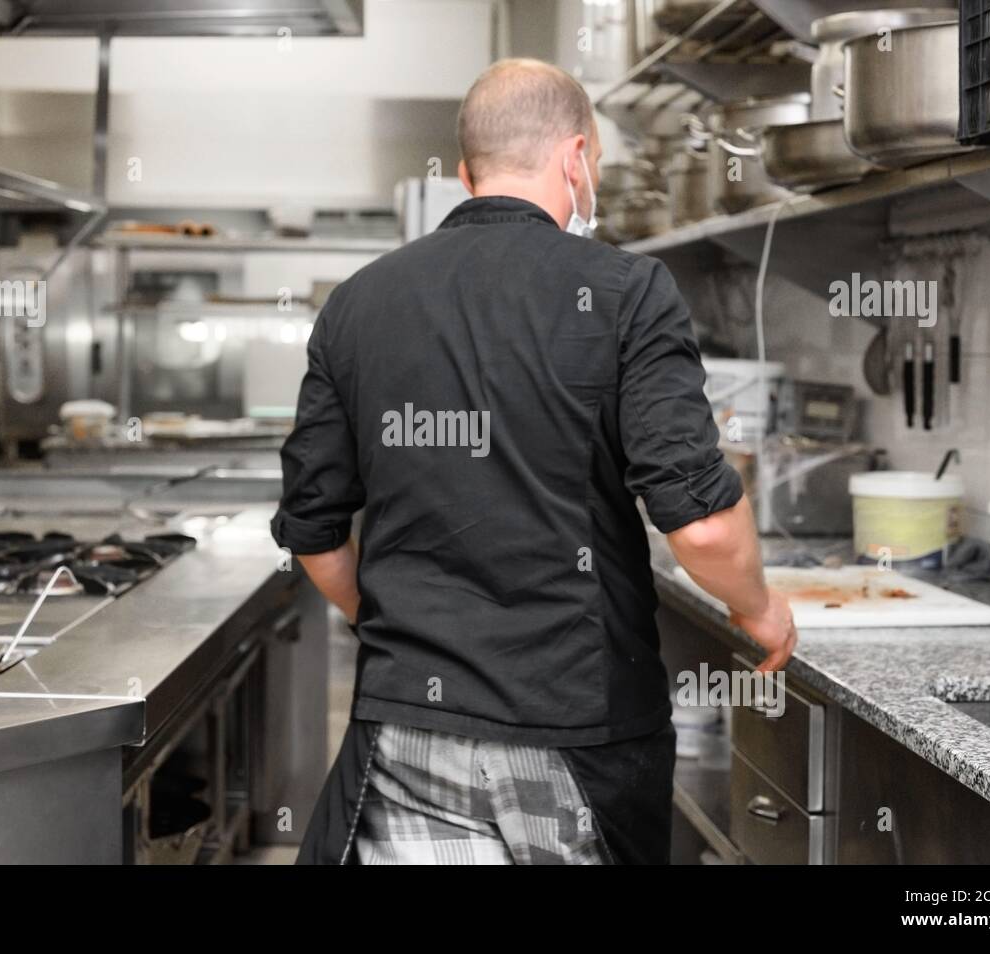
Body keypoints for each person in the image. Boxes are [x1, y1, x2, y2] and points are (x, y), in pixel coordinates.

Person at [272, 58, 796, 865]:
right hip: (573, 730)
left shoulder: (357, 302)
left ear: (463, 173)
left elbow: (314, 530)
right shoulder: (628, 292)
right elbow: (701, 529)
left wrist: (400, 628)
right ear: (577, 158)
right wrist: (760, 608)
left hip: (409, 729)